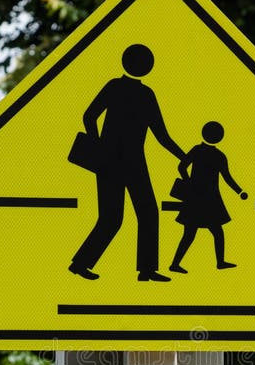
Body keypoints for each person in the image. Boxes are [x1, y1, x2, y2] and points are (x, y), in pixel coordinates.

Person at [69, 44, 185, 281]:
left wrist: (99, 145)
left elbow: (90, 117)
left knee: (135, 214)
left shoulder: (131, 91)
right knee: (125, 216)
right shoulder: (139, 93)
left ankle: (145, 270)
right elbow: (161, 136)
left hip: (122, 162)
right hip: (121, 162)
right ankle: (84, 264)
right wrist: (184, 157)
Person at [169, 121, 247, 273]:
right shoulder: (219, 156)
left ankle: (177, 264)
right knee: (213, 232)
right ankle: (218, 262)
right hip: (209, 199)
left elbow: (181, 167)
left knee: (192, 234)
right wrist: (239, 192)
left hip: (197, 197)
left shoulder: (197, 150)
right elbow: (227, 178)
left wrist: (189, 182)